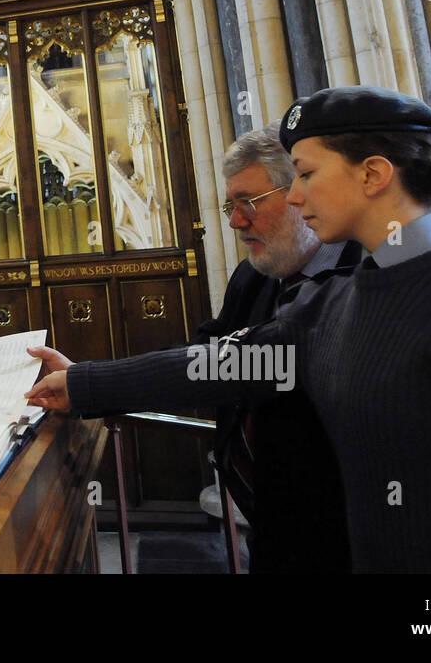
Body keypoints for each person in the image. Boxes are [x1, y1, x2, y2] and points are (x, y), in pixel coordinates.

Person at [26, 86, 431, 572]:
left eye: (305, 173)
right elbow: (226, 362)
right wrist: (83, 385)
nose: (296, 196)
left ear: (373, 174)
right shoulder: (341, 297)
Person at [28, 125, 358, 572]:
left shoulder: (359, 280)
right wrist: (83, 378)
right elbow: (204, 353)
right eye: (229, 205)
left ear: (302, 192)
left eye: (249, 203)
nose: (235, 221)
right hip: (272, 518)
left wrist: (87, 383)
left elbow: (235, 365)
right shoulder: (256, 274)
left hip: (346, 529)